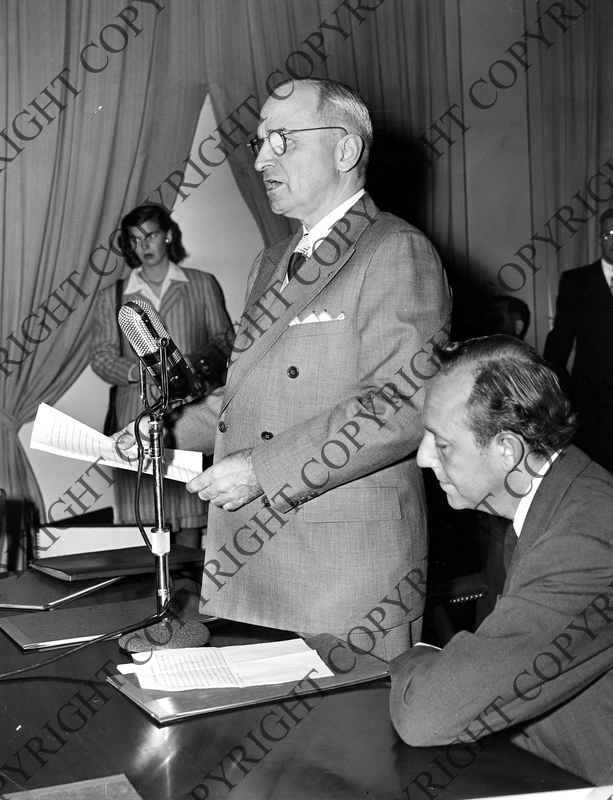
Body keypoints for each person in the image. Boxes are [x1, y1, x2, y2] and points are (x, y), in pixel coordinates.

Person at [127, 78, 452, 661]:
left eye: (283, 140)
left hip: (344, 573)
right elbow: (249, 390)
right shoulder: (271, 261)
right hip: (258, 561)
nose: (260, 160)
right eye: (260, 143)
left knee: (347, 723)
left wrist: (262, 469)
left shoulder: (395, 249)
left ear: (345, 150)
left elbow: (400, 405)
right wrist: (165, 431)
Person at [390, 335, 613, 784]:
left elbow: (426, 714)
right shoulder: (546, 499)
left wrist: (411, 656)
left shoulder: (585, 542)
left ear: (507, 450)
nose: (423, 458)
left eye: (442, 443)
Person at [90, 203, 233, 548]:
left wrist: (200, 362)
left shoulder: (201, 283)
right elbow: (100, 357)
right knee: (144, 522)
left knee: (188, 513)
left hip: (190, 412)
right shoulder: (112, 296)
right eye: (134, 239)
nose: (144, 245)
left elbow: (226, 340)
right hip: (135, 416)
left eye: (151, 235)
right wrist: (140, 372)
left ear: (167, 235)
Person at [544, 208, 613, 473]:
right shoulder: (577, 281)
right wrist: (556, 392)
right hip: (591, 404)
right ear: (599, 238)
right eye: (609, 233)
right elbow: (560, 342)